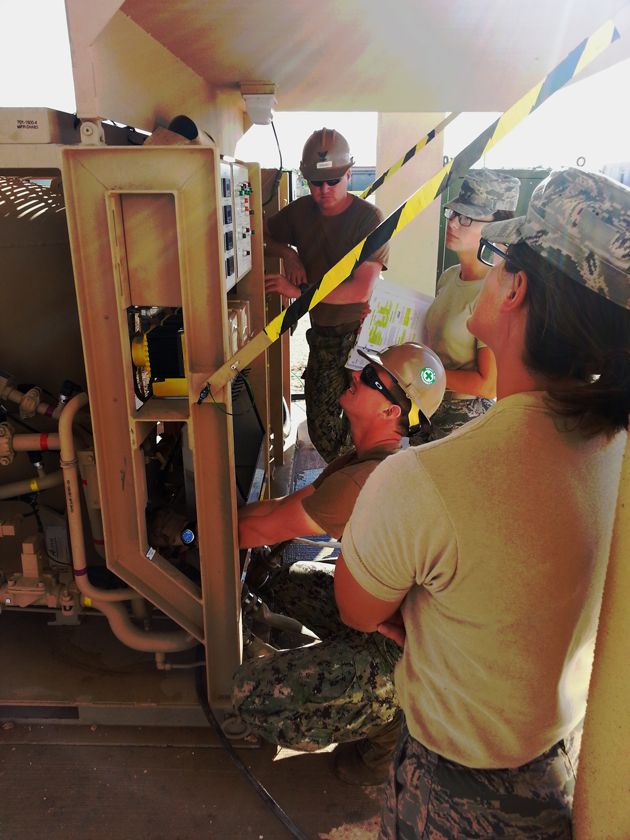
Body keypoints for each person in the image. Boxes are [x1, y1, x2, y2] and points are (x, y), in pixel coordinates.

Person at [335, 168, 630, 837]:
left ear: (517, 288)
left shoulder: (427, 479)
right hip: (562, 764)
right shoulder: (616, 452)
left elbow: (357, 606)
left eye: (497, 260)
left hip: (453, 788)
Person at [233, 343, 446, 785]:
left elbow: (256, 531)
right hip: (391, 621)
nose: (355, 374)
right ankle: (360, 679)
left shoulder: (366, 479)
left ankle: (393, 722)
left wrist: (187, 532)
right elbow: (276, 513)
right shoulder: (366, 462)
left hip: (409, 657)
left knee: (245, 694)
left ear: (392, 412)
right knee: (281, 579)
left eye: (371, 377)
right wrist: (216, 522)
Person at [264, 128, 390, 464]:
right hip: (322, 337)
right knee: (321, 425)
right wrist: (287, 253)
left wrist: (301, 294)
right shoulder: (300, 212)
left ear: (349, 174)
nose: (324, 190)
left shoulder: (368, 220)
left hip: (359, 337)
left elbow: (359, 290)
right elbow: (260, 234)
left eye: (333, 181)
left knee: (361, 425)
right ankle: (347, 484)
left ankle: (355, 491)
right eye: (316, 182)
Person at [412, 169, 520, 444]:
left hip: (462, 422)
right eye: (453, 214)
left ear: (497, 228)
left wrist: (424, 375)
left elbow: (488, 385)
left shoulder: (496, 291)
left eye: (466, 218)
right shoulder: (449, 277)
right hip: (429, 408)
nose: (453, 224)